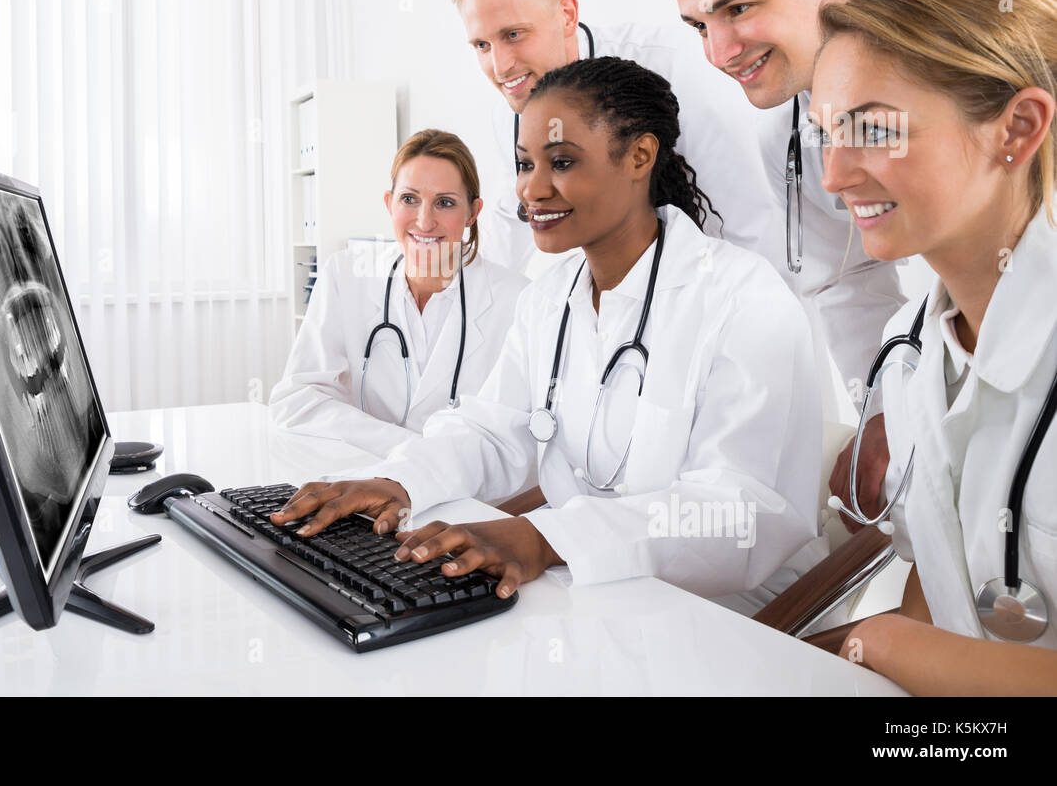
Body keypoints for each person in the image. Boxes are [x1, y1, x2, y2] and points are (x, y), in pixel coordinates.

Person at [270, 57, 826, 615]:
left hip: (722, 616)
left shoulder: (742, 298)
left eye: (561, 162)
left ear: (639, 156)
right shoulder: (549, 297)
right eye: (523, 164)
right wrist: (398, 482)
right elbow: (492, 431)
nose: (531, 190)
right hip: (583, 593)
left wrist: (548, 537)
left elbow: (736, 513)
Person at [654, 0, 1057, 529]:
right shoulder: (782, 136)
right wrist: (883, 410)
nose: (719, 52)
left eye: (737, 8)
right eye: (699, 26)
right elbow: (848, 283)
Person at [810, 0, 1057, 693]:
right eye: (825, 133)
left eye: (872, 129)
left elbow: (905, 639)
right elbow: (938, 578)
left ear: (1018, 127)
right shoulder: (914, 347)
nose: (832, 174)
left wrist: (875, 639)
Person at [453, 0, 775, 274]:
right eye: (482, 45)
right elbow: (511, 223)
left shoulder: (677, 68)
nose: (500, 66)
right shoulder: (511, 112)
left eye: (514, 34)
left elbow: (746, 227)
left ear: (567, 15)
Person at [270, 129, 528, 457]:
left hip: (469, 501)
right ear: (389, 203)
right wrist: (409, 449)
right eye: (409, 199)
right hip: (363, 482)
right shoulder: (346, 275)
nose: (424, 221)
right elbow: (296, 400)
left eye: (445, 203)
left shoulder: (517, 300)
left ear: (472, 213)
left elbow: (519, 442)